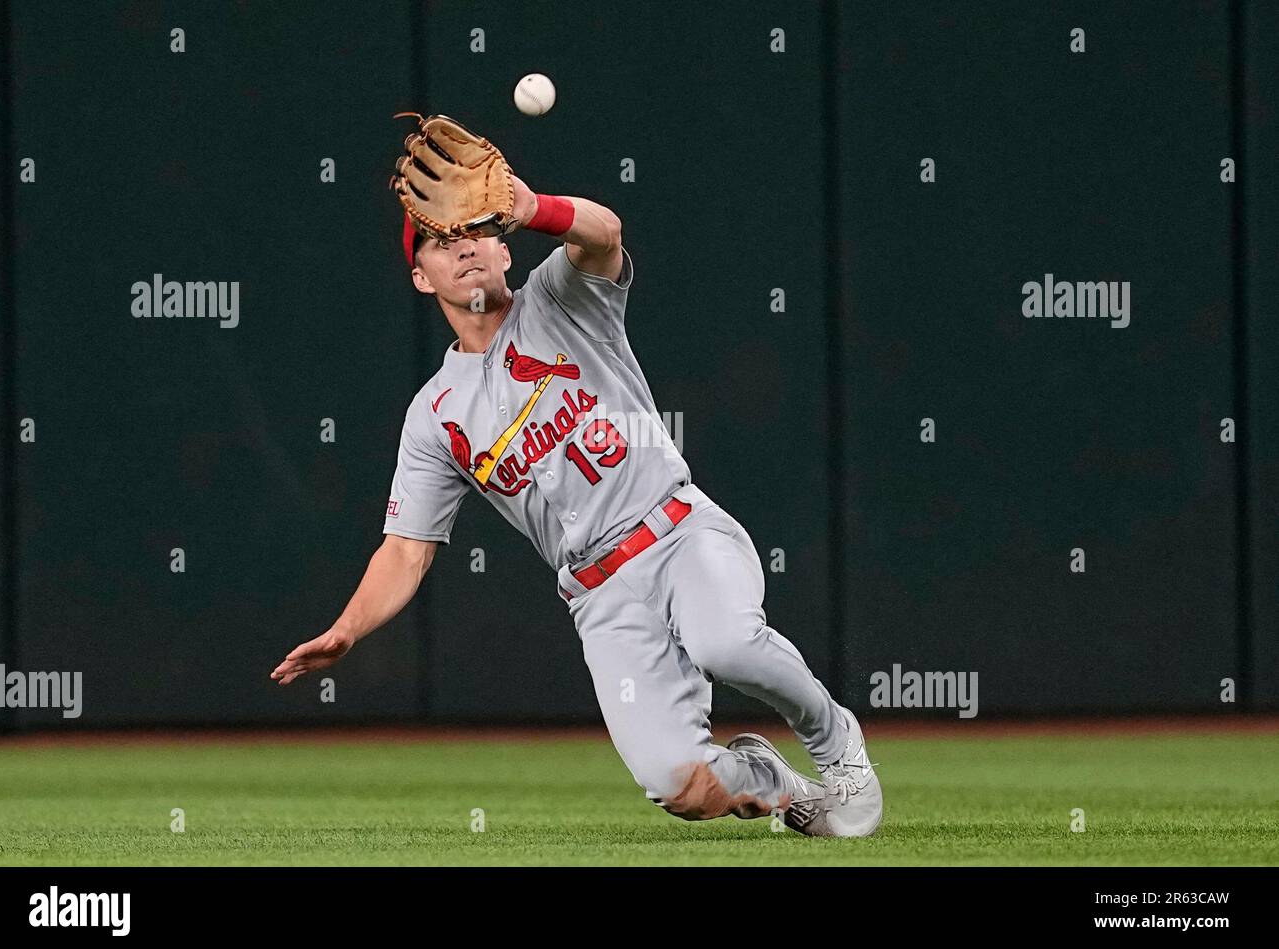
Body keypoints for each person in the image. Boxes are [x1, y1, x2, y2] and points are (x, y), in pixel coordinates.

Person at [271, 173, 882, 837]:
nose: (464, 247)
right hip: (599, 595)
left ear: (505, 250)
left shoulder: (559, 300)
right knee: (679, 786)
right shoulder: (434, 416)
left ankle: (837, 747)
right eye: (442, 241)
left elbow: (604, 235)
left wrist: (535, 207)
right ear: (421, 278)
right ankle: (774, 781)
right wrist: (348, 629)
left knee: (726, 643)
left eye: (476, 229)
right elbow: (406, 549)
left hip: (677, 531)